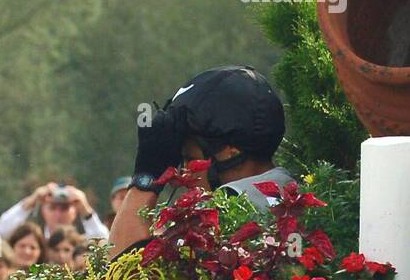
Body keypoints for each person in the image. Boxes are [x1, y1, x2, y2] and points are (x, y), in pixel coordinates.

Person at [110, 65, 291, 254]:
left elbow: (123, 269)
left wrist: (145, 178)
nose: (183, 173)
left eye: (190, 159)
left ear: (230, 152)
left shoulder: (232, 215)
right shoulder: (291, 196)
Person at [0, 182, 110, 243]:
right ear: (43, 211)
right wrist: (31, 201)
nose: (58, 214)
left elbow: (105, 243)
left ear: (75, 211)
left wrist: (86, 210)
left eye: (64, 208)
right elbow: (1, 231)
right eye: (52, 208)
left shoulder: (82, 242)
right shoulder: (35, 244)